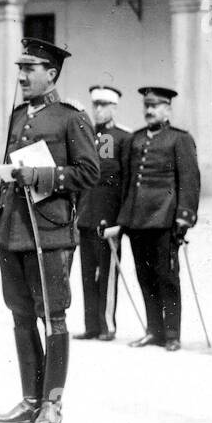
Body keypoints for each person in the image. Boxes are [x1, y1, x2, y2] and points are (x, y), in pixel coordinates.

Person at [0, 38, 99, 423]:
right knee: (21, 317)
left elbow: (90, 173)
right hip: (14, 230)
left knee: (53, 317)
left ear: (51, 73)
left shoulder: (71, 117)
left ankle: (53, 402)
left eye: (30, 68)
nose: (21, 75)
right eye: (20, 68)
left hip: (50, 233)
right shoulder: (18, 116)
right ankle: (30, 398)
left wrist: (38, 175)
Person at [102, 87, 200, 352]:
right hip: (137, 221)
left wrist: (184, 218)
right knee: (144, 277)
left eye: (155, 106)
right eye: (147, 105)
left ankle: (172, 334)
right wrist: (123, 219)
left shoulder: (179, 139)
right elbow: (127, 183)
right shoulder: (134, 140)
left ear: (167, 109)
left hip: (165, 220)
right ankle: (153, 330)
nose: (149, 110)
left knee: (167, 278)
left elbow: (189, 182)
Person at [75, 85, 130, 340]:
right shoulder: (84, 136)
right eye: (95, 105)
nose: (98, 110)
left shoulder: (123, 139)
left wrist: (121, 220)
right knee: (87, 274)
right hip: (86, 216)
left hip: (109, 218)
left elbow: (126, 183)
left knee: (107, 275)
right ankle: (91, 326)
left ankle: (107, 325)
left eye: (104, 105)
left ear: (114, 107)